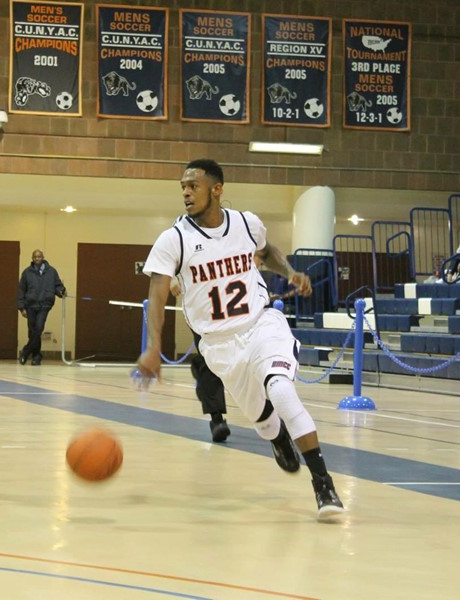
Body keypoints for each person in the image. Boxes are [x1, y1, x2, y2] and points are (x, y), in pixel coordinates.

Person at [135, 158, 344, 520]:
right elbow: (156, 295)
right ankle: (277, 438)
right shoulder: (174, 240)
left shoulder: (246, 223)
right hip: (218, 344)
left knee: (280, 388)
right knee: (263, 421)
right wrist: (152, 348)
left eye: (193, 186)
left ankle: (324, 486)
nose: (185, 192)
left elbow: (267, 253)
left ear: (216, 189)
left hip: (261, 324)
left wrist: (291, 272)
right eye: (182, 186)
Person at [171, 278, 230, 442]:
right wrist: (171, 279)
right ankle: (217, 419)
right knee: (210, 358)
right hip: (201, 310)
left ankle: (271, 418)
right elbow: (164, 262)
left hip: (232, 306)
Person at [17, 249, 66, 365]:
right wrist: (21, 307)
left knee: (39, 328)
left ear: (43, 257)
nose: (37, 258)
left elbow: (57, 286)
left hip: (45, 304)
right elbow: (21, 291)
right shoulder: (26, 273)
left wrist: (61, 291)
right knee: (32, 331)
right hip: (30, 305)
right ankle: (36, 357)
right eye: (35, 257)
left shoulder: (52, 272)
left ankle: (26, 351)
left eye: (39, 256)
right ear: (32, 258)